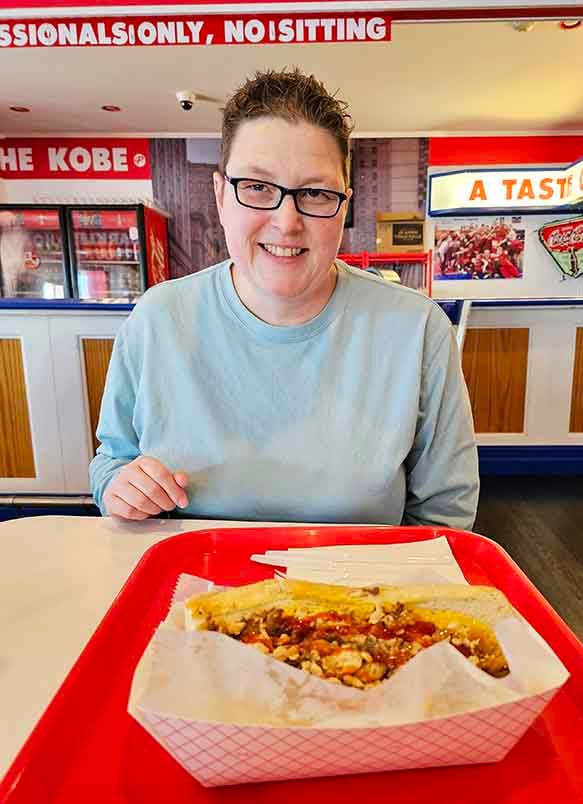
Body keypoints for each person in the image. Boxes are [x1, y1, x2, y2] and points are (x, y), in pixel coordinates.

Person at [90, 68, 479, 527]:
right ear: (220, 195)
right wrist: (120, 487)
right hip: (191, 585)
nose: (287, 221)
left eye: (314, 193)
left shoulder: (417, 328)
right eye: (256, 187)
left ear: (344, 204)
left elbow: (445, 513)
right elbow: (111, 463)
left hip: (360, 591)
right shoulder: (156, 319)